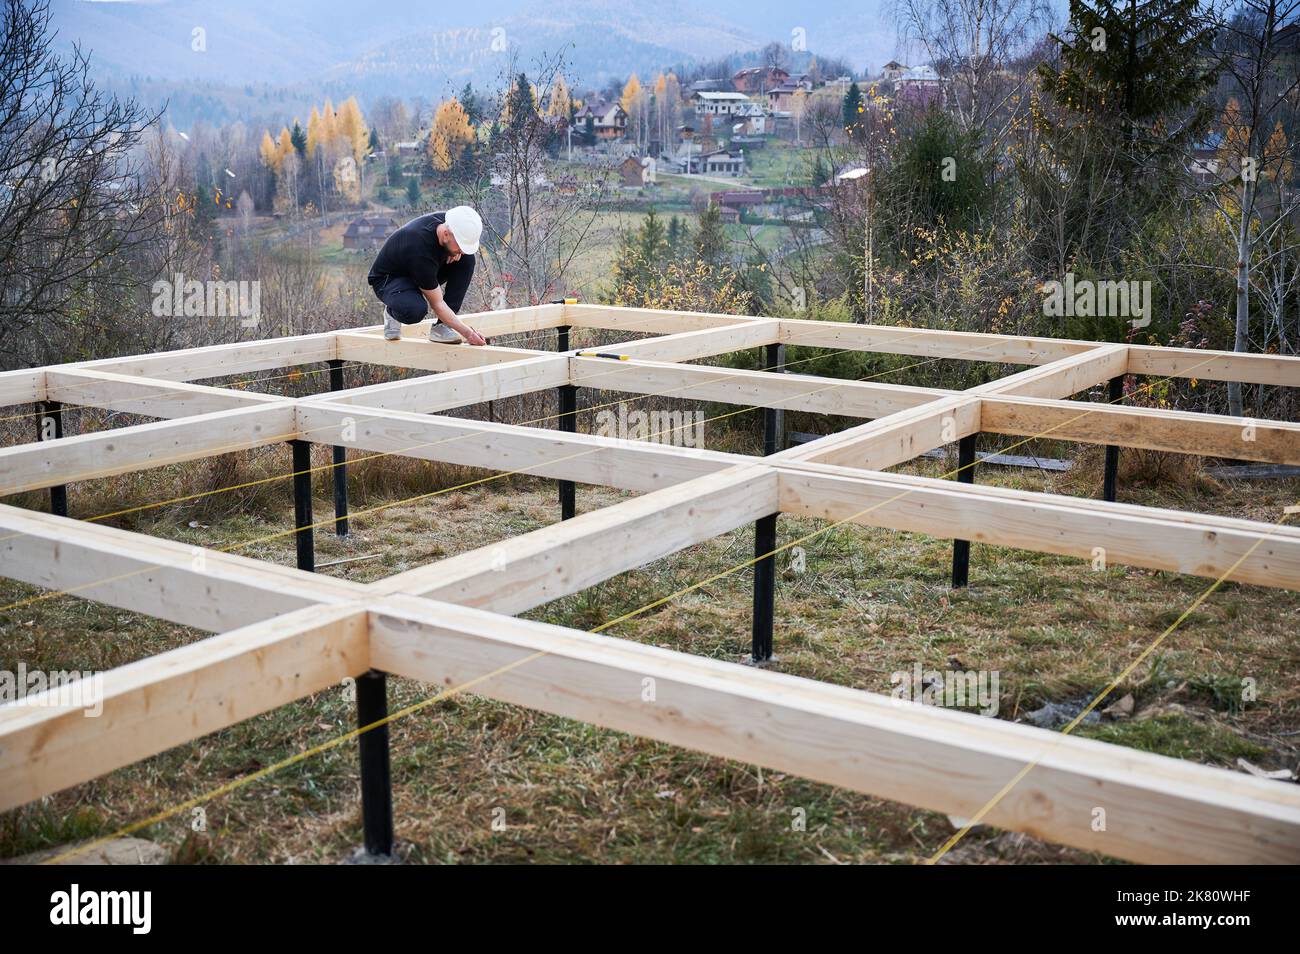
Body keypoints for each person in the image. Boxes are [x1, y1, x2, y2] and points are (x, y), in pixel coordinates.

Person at [367, 206, 487, 345]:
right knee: (414, 310)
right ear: (446, 234)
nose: (462, 251)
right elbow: (437, 303)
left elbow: (459, 249)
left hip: (418, 270)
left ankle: (442, 328)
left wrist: (455, 251)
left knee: (467, 260)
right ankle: (392, 311)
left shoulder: (452, 222)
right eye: (460, 245)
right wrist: (468, 333)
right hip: (389, 279)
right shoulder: (420, 247)